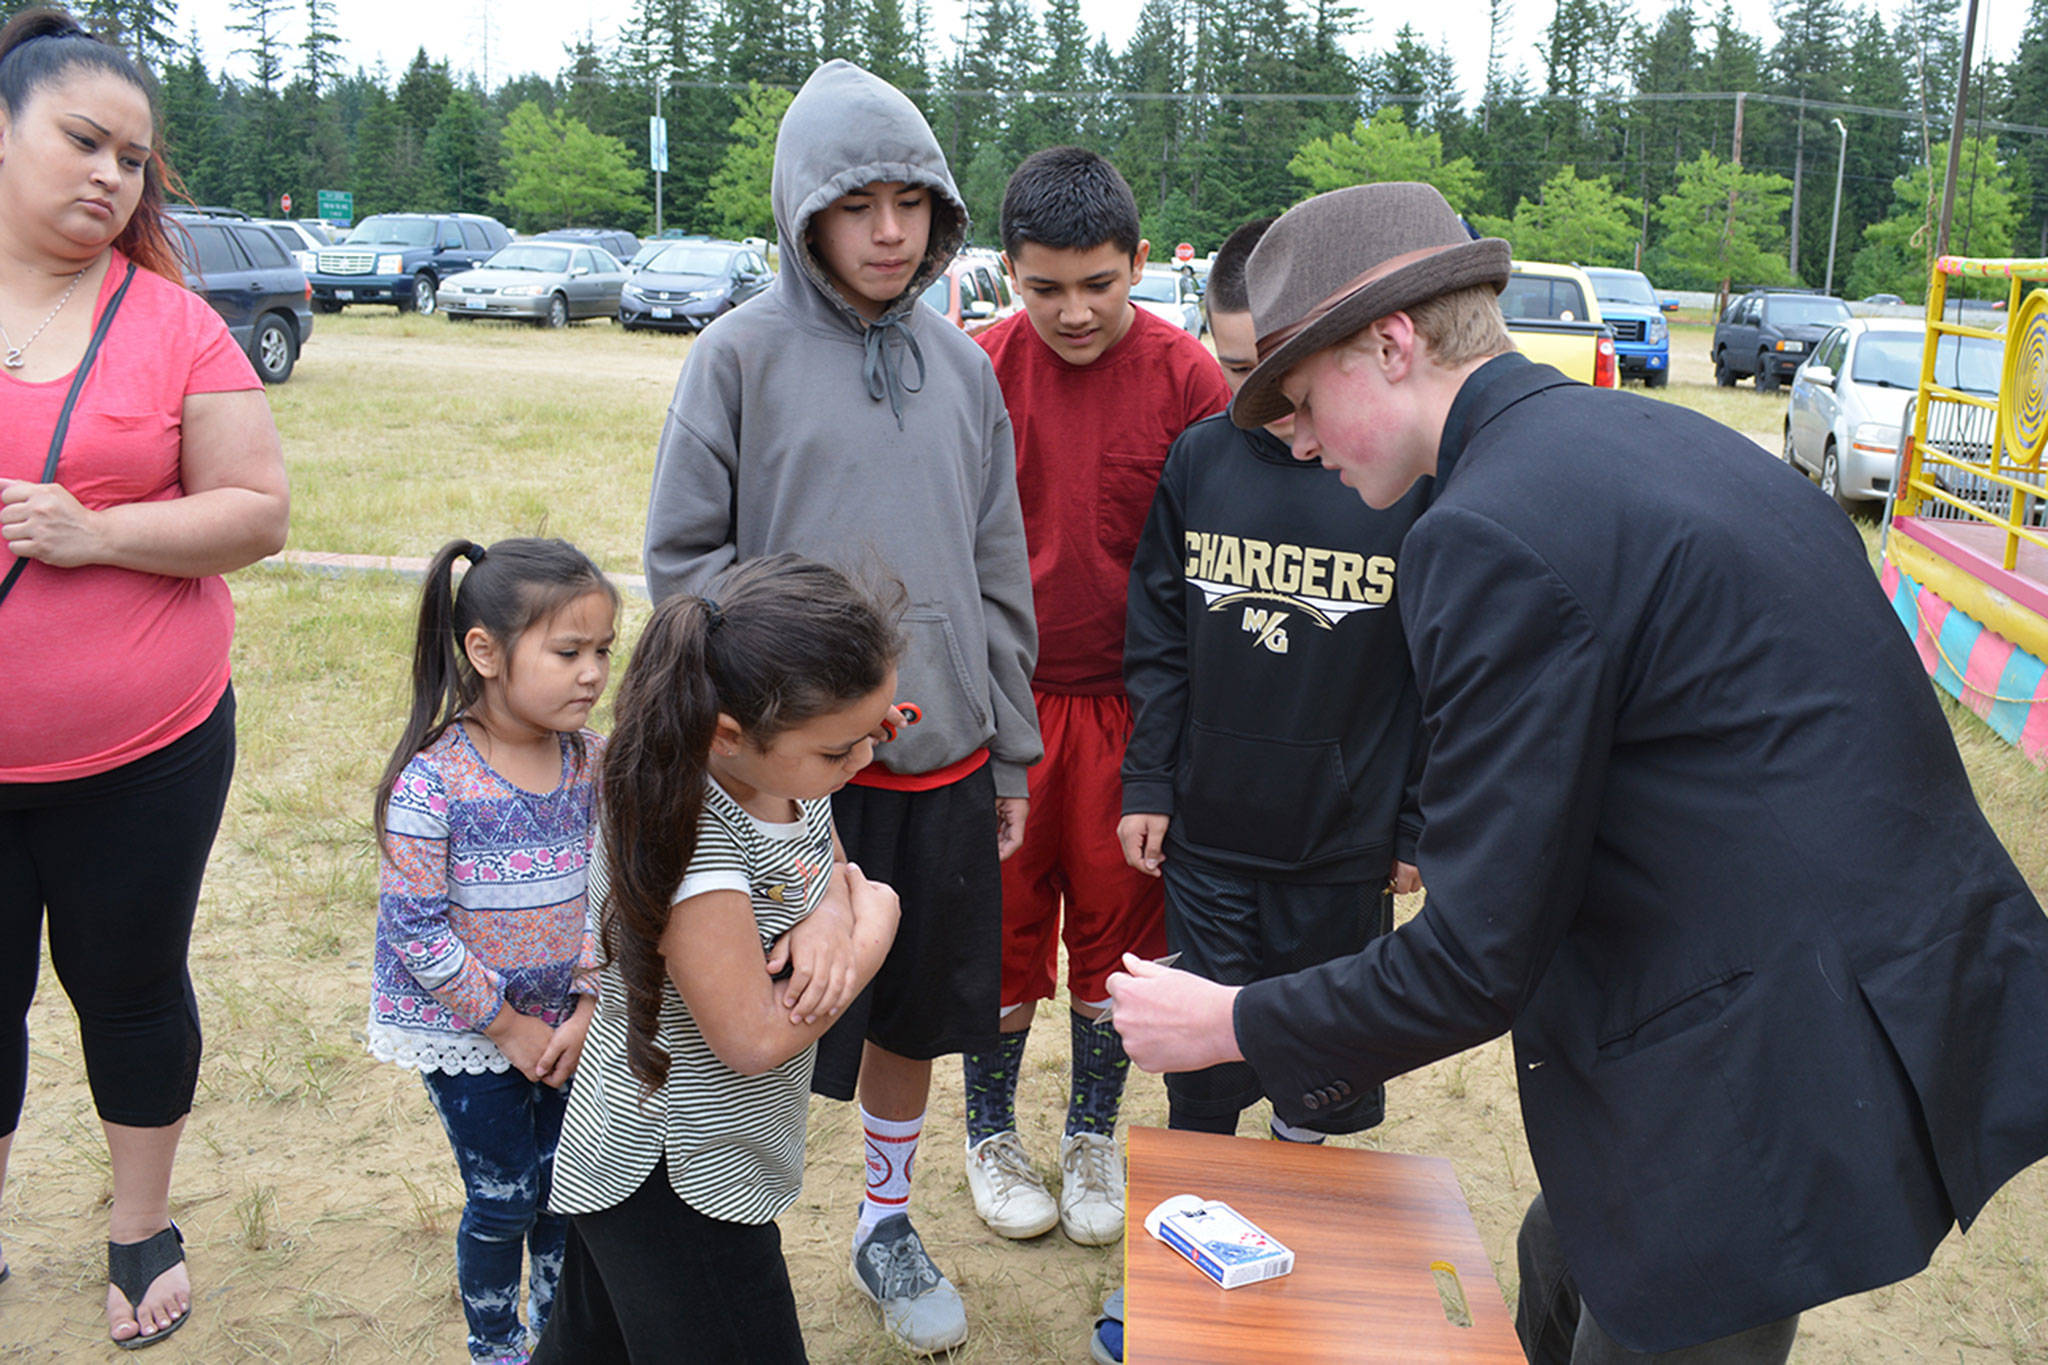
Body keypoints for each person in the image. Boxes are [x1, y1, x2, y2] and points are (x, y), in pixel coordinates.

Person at [1104, 182, 2048, 1363]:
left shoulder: (1485, 528)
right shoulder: (1645, 442)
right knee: (1559, 1263)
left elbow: (1474, 960)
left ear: (1389, 346)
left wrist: (1231, 1019)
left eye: (1296, 400)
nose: (1287, 440)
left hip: (1772, 1059)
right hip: (1845, 993)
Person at [641, 59, 1038, 1355]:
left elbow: (997, 568)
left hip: (943, 764)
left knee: (914, 1010)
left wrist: (1013, 748)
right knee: (748, 1021)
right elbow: (685, 570)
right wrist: (754, 745)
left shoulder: (966, 371)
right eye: (856, 202)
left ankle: (882, 1218)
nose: (887, 230)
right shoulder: (737, 359)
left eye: (911, 202)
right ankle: (710, 1221)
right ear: (803, 212)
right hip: (782, 779)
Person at [0, 9, 289, 1349]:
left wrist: (96, 530)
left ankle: (139, 1224)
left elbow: (256, 511)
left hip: (145, 752)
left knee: (129, 987)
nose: (113, 174)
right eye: (83, 140)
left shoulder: (174, 324)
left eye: (136, 157)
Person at [534, 555, 905, 1365]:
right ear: (727, 734)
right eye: (842, 748)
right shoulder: (687, 833)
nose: (865, 762)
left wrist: (835, 917)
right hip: (671, 1175)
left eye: (880, 730)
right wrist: (876, 923)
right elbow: (754, 1037)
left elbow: (831, 868)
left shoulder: (786, 775)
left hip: (707, 1154)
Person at [964, 146, 1232, 1249]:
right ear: (1007, 276)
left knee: (1119, 942)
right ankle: (987, 1131)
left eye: (1097, 284)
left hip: (1134, 713)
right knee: (1001, 935)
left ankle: (1088, 1131)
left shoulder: (1190, 382)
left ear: (1137, 263)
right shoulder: (973, 368)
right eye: (1043, 288)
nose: (1072, 312)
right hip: (1007, 710)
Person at [1121, 213, 1424, 1145]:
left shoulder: (1402, 475)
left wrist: (1414, 820)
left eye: (1277, 369)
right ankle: (1194, 1258)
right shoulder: (1200, 457)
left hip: (1340, 847)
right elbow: (1161, 639)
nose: (1258, 395)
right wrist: (1148, 780)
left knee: (1315, 1076)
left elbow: (1435, 675)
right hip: (1210, 839)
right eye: (1234, 364)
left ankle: (1292, 1260)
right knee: (1201, 1079)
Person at [369, 537, 618, 1365]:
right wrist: (506, 1026)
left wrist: (586, 1004)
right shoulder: (433, 782)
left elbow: (609, 886)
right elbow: (416, 932)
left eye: (603, 652)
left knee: (563, 1189)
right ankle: (496, 1344)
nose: (593, 673)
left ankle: (555, 1335)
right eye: (569, 651)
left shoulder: (593, 763)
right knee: (505, 1194)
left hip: (564, 1027)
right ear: (484, 651)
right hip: (470, 1034)